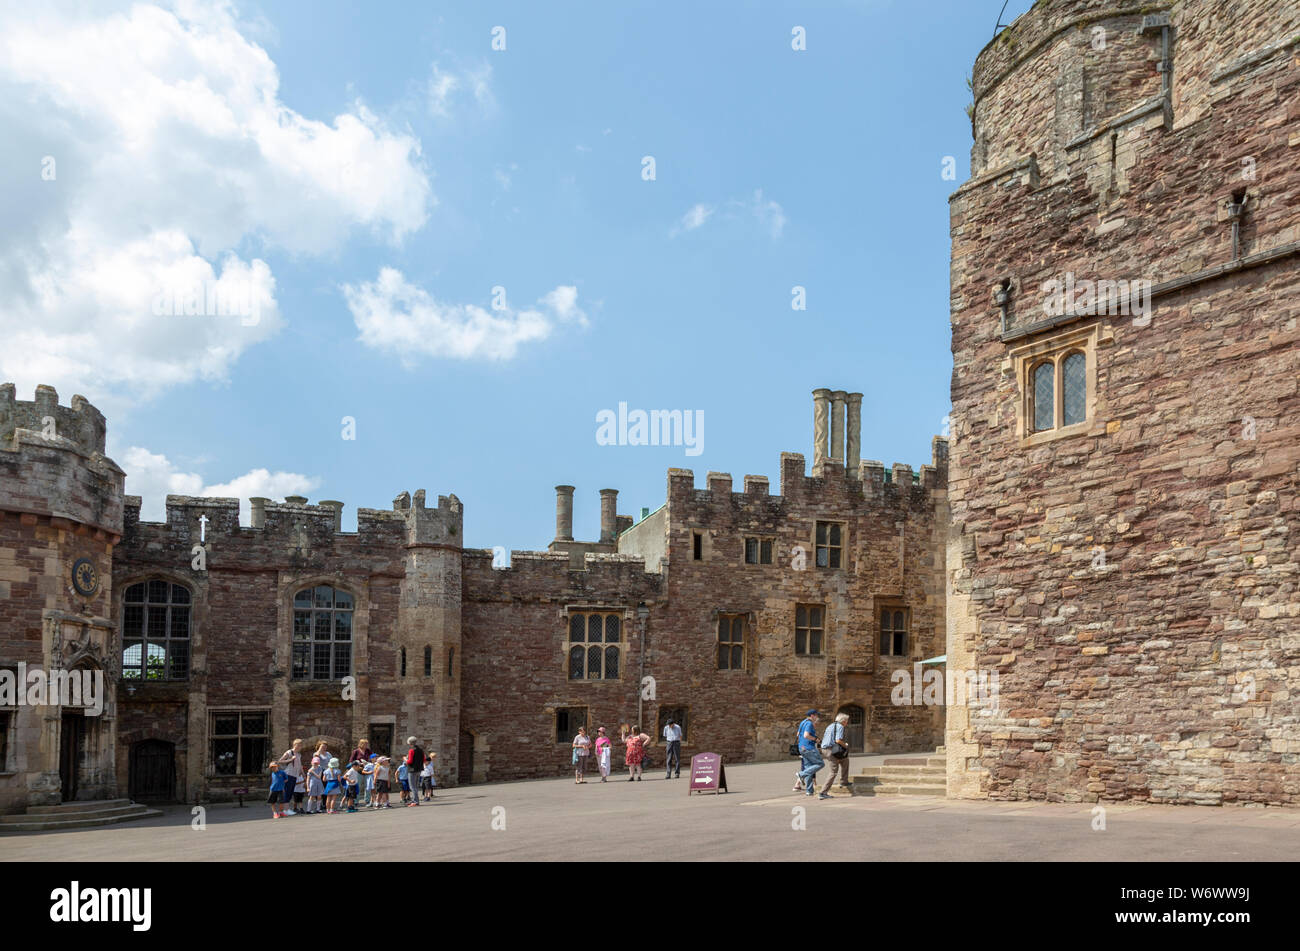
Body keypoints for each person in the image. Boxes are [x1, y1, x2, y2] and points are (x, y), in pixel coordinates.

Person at [819, 712, 851, 799]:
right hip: (830, 750)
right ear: (843, 721)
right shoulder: (840, 727)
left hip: (825, 749)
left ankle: (844, 781)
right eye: (846, 721)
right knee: (833, 771)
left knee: (845, 760)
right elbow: (838, 740)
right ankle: (823, 792)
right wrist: (846, 745)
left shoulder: (830, 725)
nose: (847, 723)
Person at [794, 709, 823, 797]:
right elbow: (806, 735)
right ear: (812, 715)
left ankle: (809, 791)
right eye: (817, 715)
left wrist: (801, 745)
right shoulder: (809, 723)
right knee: (820, 764)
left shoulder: (803, 722)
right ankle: (801, 774)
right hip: (809, 748)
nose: (817, 717)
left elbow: (798, 734)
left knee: (808, 767)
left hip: (802, 747)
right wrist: (815, 739)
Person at [277, 738, 304, 816]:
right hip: (288, 774)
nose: (300, 747)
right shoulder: (289, 752)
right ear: (295, 745)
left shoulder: (299, 754)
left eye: (301, 745)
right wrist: (290, 760)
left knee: (291, 792)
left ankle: (287, 809)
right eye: (299, 745)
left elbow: (299, 765)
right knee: (287, 791)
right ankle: (285, 810)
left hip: (295, 775)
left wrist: (302, 773)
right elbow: (280, 761)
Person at [405, 737, 426, 807]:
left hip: (412, 769)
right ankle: (415, 799)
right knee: (416, 786)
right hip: (419, 769)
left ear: (409, 743)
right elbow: (424, 759)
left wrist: (405, 759)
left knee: (412, 786)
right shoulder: (421, 750)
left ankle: (415, 801)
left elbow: (410, 761)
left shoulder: (411, 750)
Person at [349, 739, 371, 805]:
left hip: (367, 770)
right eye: (365, 744)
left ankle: (367, 800)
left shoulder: (368, 751)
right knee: (358, 786)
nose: (366, 745)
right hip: (358, 771)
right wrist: (359, 764)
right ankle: (356, 800)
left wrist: (369, 763)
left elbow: (372, 758)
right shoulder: (356, 751)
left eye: (367, 744)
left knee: (367, 786)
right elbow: (351, 761)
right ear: (361, 744)